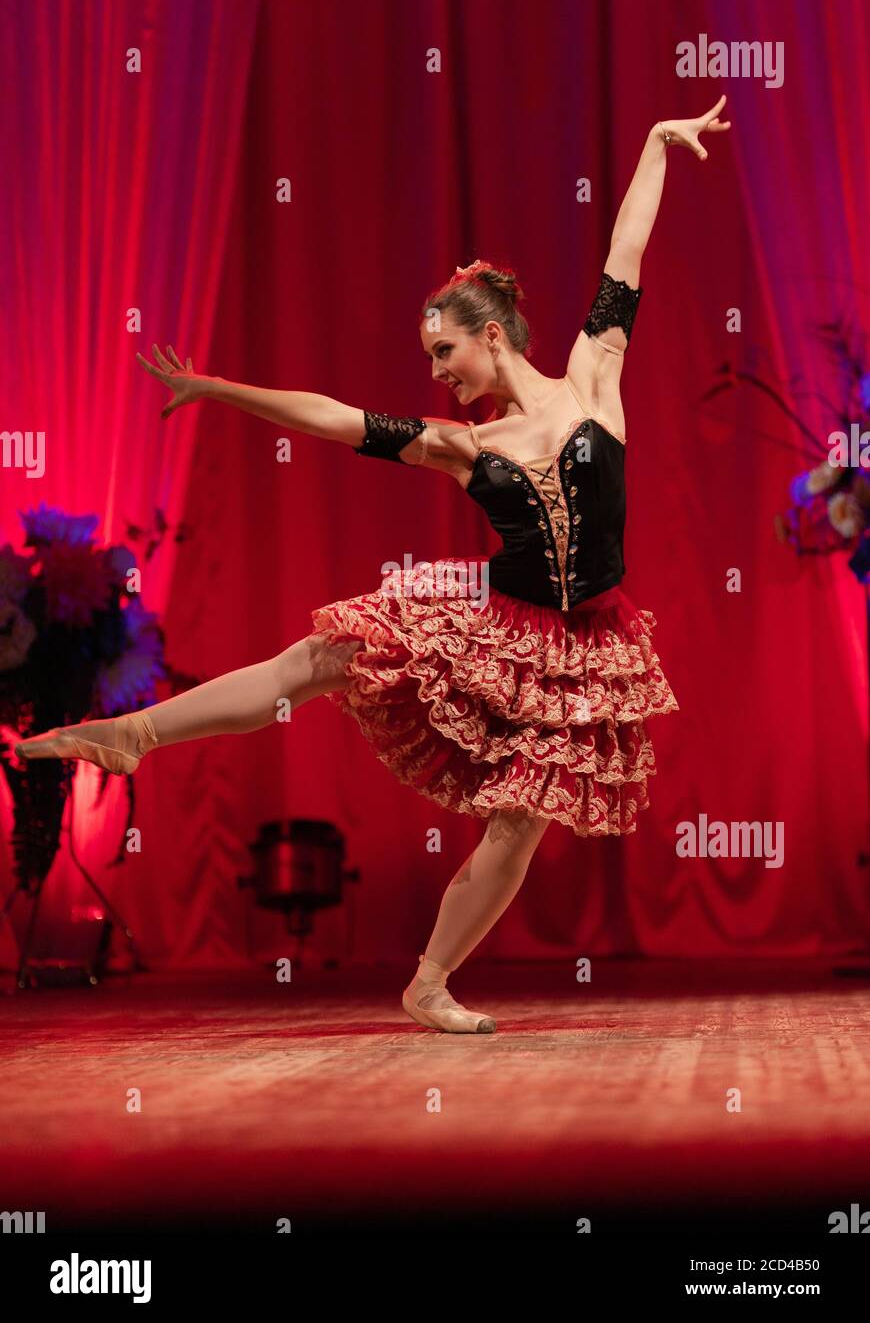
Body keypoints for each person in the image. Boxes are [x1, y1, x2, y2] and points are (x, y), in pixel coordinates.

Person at [14, 100, 731, 1034]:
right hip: (492, 618)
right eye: (430, 356)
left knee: (517, 826)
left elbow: (625, 258)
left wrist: (653, 145)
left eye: (445, 350)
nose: (438, 371)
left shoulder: (596, 377)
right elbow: (335, 416)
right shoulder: (461, 444)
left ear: (494, 335)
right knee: (320, 660)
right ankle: (137, 734)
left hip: (586, 647)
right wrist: (221, 389)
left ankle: (429, 983)